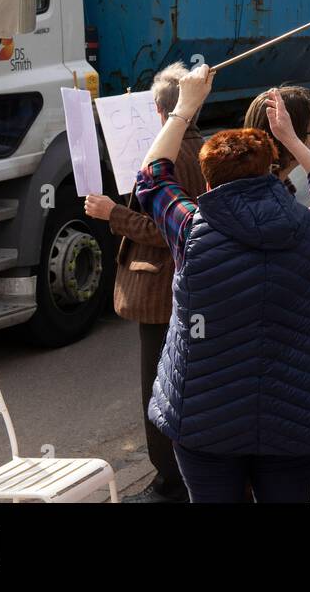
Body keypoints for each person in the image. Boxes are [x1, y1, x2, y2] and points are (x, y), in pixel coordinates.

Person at [136, 66, 310, 502]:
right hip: (292, 420)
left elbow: (151, 178)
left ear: (207, 182)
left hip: (205, 423)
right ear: (270, 170)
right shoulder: (309, 228)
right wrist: (294, 141)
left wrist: (184, 108)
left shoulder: (188, 229)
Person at [83, 61, 205, 504]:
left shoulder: (171, 156)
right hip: (186, 294)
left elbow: (167, 230)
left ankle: (167, 484)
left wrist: (112, 215)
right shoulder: (200, 147)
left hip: (160, 294)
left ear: (158, 109)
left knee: (157, 396)